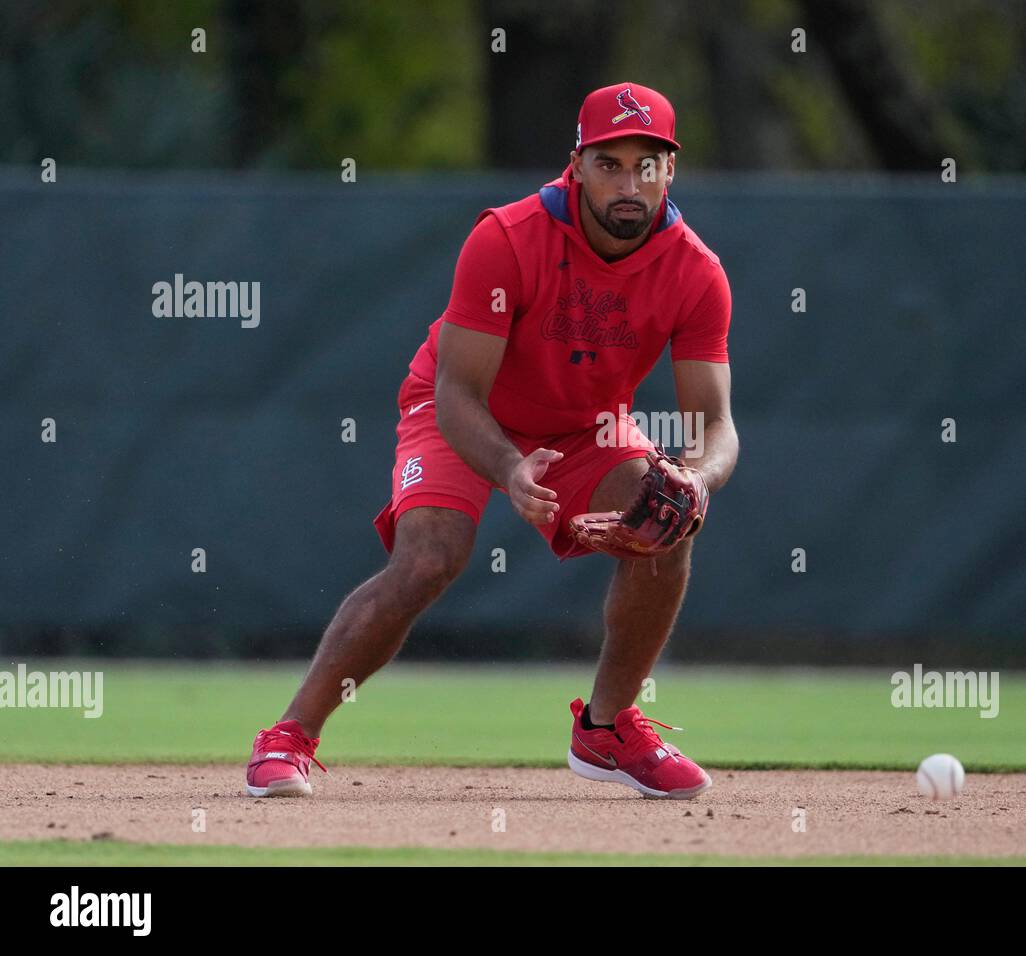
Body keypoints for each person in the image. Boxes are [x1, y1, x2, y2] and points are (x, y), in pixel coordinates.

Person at [245, 82, 738, 800]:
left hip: (584, 426)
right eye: (610, 164)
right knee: (429, 559)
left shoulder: (695, 272)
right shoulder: (507, 238)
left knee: (666, 520)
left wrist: (697, 480)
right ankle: (289, 736)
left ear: (672, 171)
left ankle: (605, 729)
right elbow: (457, 394)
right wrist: (508, 468)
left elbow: (714, 427)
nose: (630, 183)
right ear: (576, 164)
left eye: (648, 164)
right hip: (468, 411)